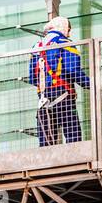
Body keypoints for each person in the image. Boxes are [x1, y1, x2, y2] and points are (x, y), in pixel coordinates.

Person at [28, 15, 91, 146]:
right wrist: (91, 84)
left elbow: (33, 78)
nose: (69, 33)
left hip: (43, 98)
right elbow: (73, 70)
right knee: (72, 133)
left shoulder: (36, 47)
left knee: (47, 137)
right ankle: (76, 160)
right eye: (69, 29)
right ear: (64, 28)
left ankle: (47, 163)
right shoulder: (66, 44)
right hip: (63, 96)